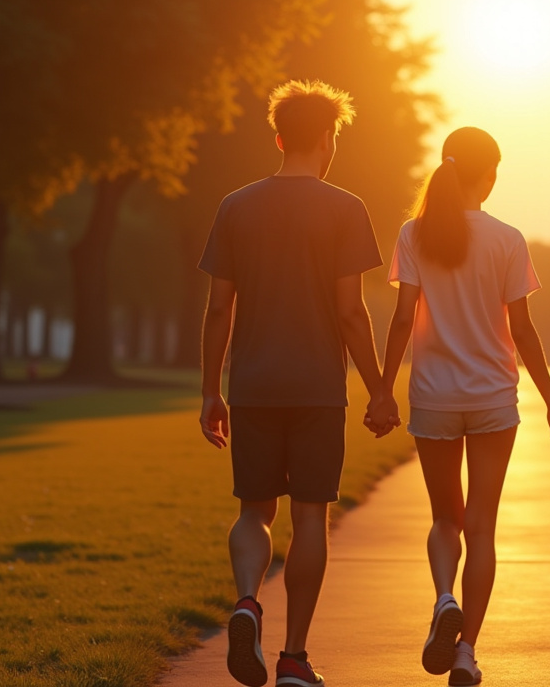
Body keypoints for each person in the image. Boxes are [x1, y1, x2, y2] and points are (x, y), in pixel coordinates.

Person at [198, 79, 400, 687]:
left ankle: (245, 603)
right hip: (317, 388)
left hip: (253, 386)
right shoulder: (345, 208)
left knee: (254, 510)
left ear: (279, 136)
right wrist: (379, 388)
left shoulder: (235, 206)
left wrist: (212, 389)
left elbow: (218, 309)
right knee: (310, 517)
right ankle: (293, 658)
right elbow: (350, 311)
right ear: (329, 139)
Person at [380, 127, 550, 686]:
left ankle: (444, 597)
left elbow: (401, 319)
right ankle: (466, 651)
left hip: (434, 398)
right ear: (489, 175)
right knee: (482, 528)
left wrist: (381, 389)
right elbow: (525, 331)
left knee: (446, 518)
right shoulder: (508, 239)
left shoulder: (414, 234)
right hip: (492, 399)